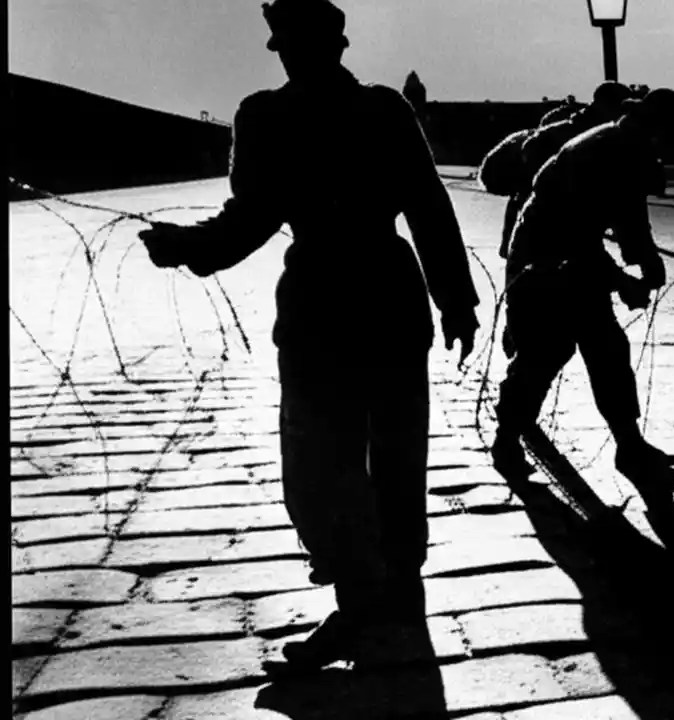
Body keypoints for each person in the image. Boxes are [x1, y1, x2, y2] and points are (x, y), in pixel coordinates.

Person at [137, 0, 480, 669]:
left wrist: (188, 247)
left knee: (324, 465)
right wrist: (454, 300)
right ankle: (391, 600)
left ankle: (364, 603)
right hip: (387, 291)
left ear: (318, 45)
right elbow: (427, 207)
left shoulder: (266, 115)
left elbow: (250, 219)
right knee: (392, 457)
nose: (291, 53)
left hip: (322, 300)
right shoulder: (384, 109)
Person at [491, 89, 674, 482]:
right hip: (543, 261)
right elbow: (576, 236)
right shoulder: (608, 151)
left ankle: (630, 446)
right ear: (657, 129)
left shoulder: (624, 147)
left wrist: (646, 261)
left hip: (569, 259)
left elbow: (631, 220)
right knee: (545, 354)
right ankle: (507, 439)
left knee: (608, 351)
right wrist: (623, 281)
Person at [477, 102, 577, 259]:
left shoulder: (542, 137)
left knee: (528, 199)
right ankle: (516, 246)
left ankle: (513, 245)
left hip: (506, 166)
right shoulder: (538, 148)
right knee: (531, 199)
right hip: (501, 169)